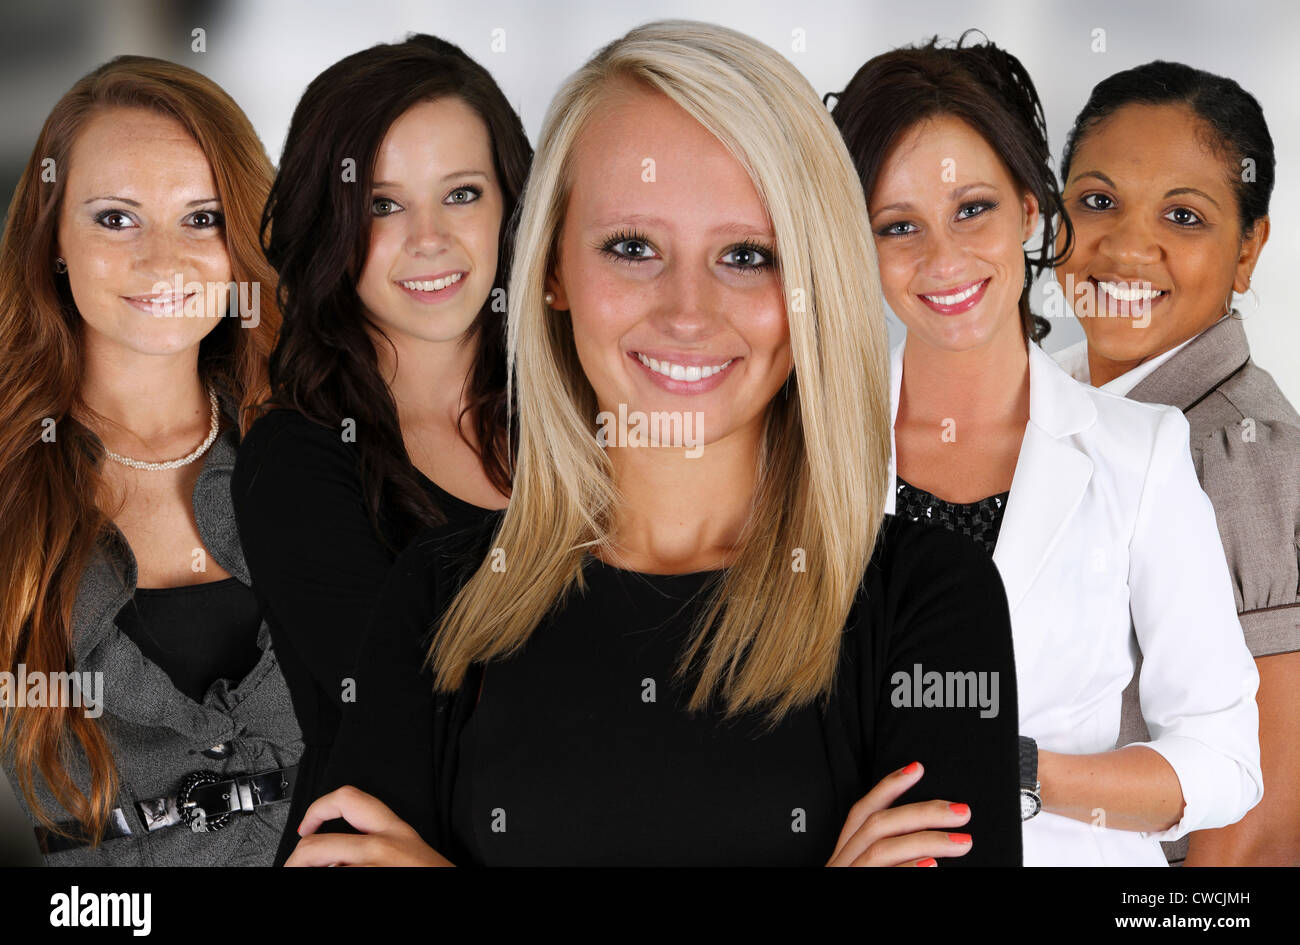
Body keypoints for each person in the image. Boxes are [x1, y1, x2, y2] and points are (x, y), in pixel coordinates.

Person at [289, 19, 1023, 867]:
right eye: (632, 247)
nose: (686, 312)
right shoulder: (440, 596)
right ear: (552, 268)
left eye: (748, 255)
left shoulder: (930, 602)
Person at [828, 34, 1262, 866]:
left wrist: (1018, 770)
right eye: (898, 226)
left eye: (972, 209)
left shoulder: (1140, 453)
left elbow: (1225, 759)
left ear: (1031, 211)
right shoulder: (804, 454)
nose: (943, 257)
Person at [230, 34, 527, 865]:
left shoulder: (585, 416)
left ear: (512, 204)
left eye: (461, 193)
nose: (428, 239)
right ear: (331, 223)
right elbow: (440, 719)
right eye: (385, 205)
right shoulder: (296, 463)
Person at [0, 57, 301, 865]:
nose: (164, 259)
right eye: (116, 218)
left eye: (202, 219)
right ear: (53, 239)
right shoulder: (8, 477)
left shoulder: (315, 447)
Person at [1052, 61, 1300, 865]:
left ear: (1248, 251)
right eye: (1097, 202)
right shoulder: (1048, 390)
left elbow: (1262, 826)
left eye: (1185, 216)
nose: (1127, 246)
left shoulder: (1241, 457)